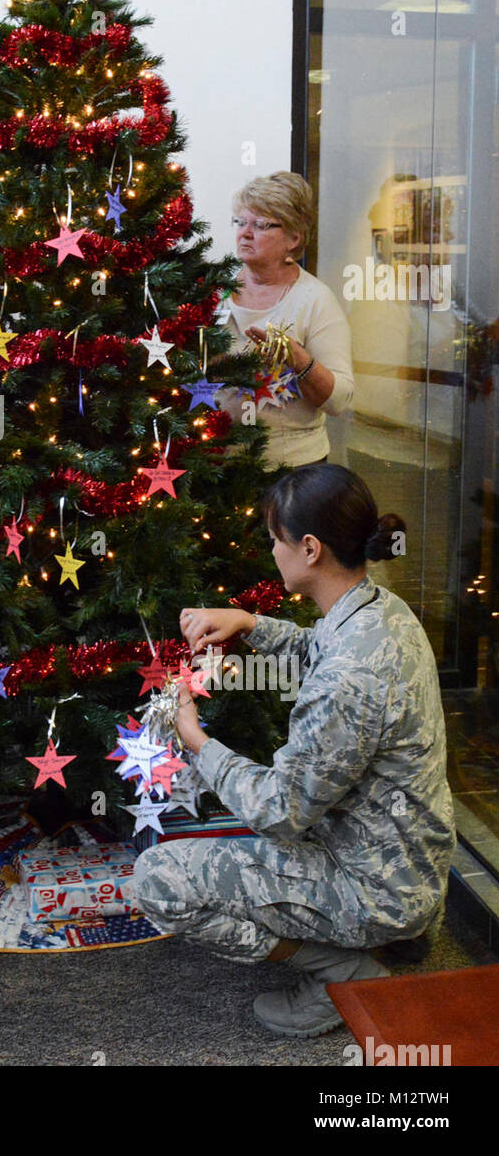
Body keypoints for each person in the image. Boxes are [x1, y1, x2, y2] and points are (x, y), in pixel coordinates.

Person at [131, 463, 456, 1039]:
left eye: (276, 540)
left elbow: (279, 811)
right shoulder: (385, 612)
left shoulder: (348, 677)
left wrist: (195, 739)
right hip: (414, 867)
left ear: (309, 548)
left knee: (158, 878)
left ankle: (345, 973)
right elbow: (319, 647)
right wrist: (250, 623)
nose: (272, 551)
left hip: (374, 885)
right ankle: (397, 934)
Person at [218, 172, 354, 467]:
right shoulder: (214, 290)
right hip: (218, 466)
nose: (245, 233)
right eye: (241, 222)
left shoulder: (315, 300)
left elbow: (339, 401)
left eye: (261, 225)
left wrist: (297, 358)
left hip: (291, 471)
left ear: (294, 238)